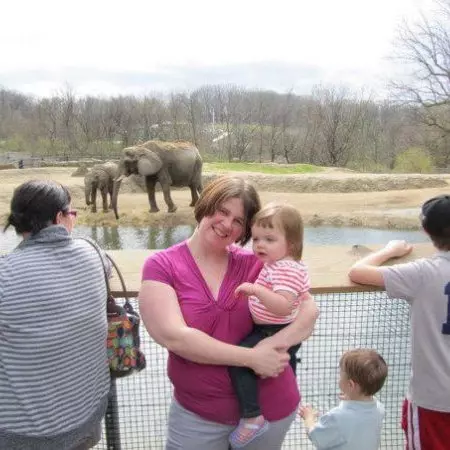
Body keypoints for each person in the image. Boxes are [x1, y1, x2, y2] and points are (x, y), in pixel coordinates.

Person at [138, 176, 319, 450]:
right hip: (198, 417)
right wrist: (251, 358)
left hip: (271, 409)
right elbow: (175, 337)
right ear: (206, 203)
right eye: (222, 211)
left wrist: (271, 345)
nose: (226, 225)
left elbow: (309, 310)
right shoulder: (163, 265)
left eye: (238, 221)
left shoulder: (257, 263)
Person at [0, 180, 111, 450]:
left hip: (20, 434)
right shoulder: (94, 252)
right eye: (72, 214)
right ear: (59, 217)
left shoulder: (5, 273)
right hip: (85, 422)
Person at [348, 194, 450, 450]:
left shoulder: (424, 272)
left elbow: (357, 272)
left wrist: (389, 251)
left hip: (433, 399)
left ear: (426, 230)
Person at [228, 202, 311, 448]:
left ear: (291, 244)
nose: (260, 245)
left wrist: (255, 290)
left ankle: (252, 416)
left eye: (269, 239)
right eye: (256, 239)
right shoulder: (280, 264)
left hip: (271, 329)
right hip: (274, 328)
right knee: (285, 366)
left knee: (241, 364)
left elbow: (284, 306)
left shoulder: (284, 268)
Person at [299, 349, 387, 450]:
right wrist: (351, 396)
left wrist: (309, 417)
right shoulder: (379, 409)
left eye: (341, 375)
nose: (339, 377)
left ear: (350, 385)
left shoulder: (337, 417)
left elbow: (315, 436)